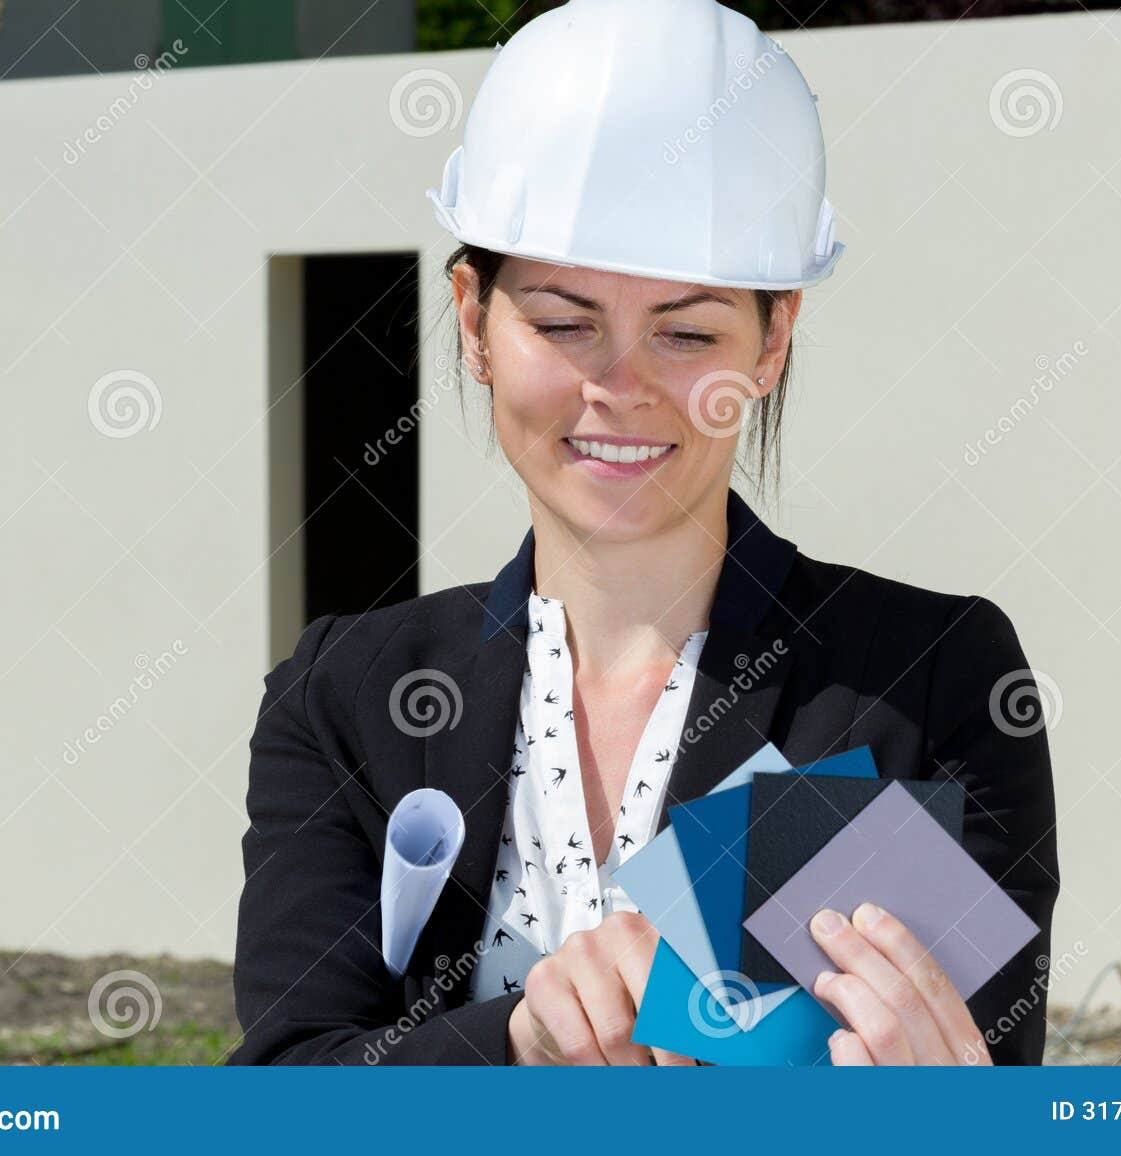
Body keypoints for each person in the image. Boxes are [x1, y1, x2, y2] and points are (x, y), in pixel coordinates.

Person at [229, 0, 1057, 1067]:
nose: (618, 387)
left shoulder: (928, 681)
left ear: (772, 342)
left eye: (686, 331)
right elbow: (285, 1085)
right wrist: (518, 1039)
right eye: (565, 322)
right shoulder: (344, 695)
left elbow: (988, 1072)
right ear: (474, 321)